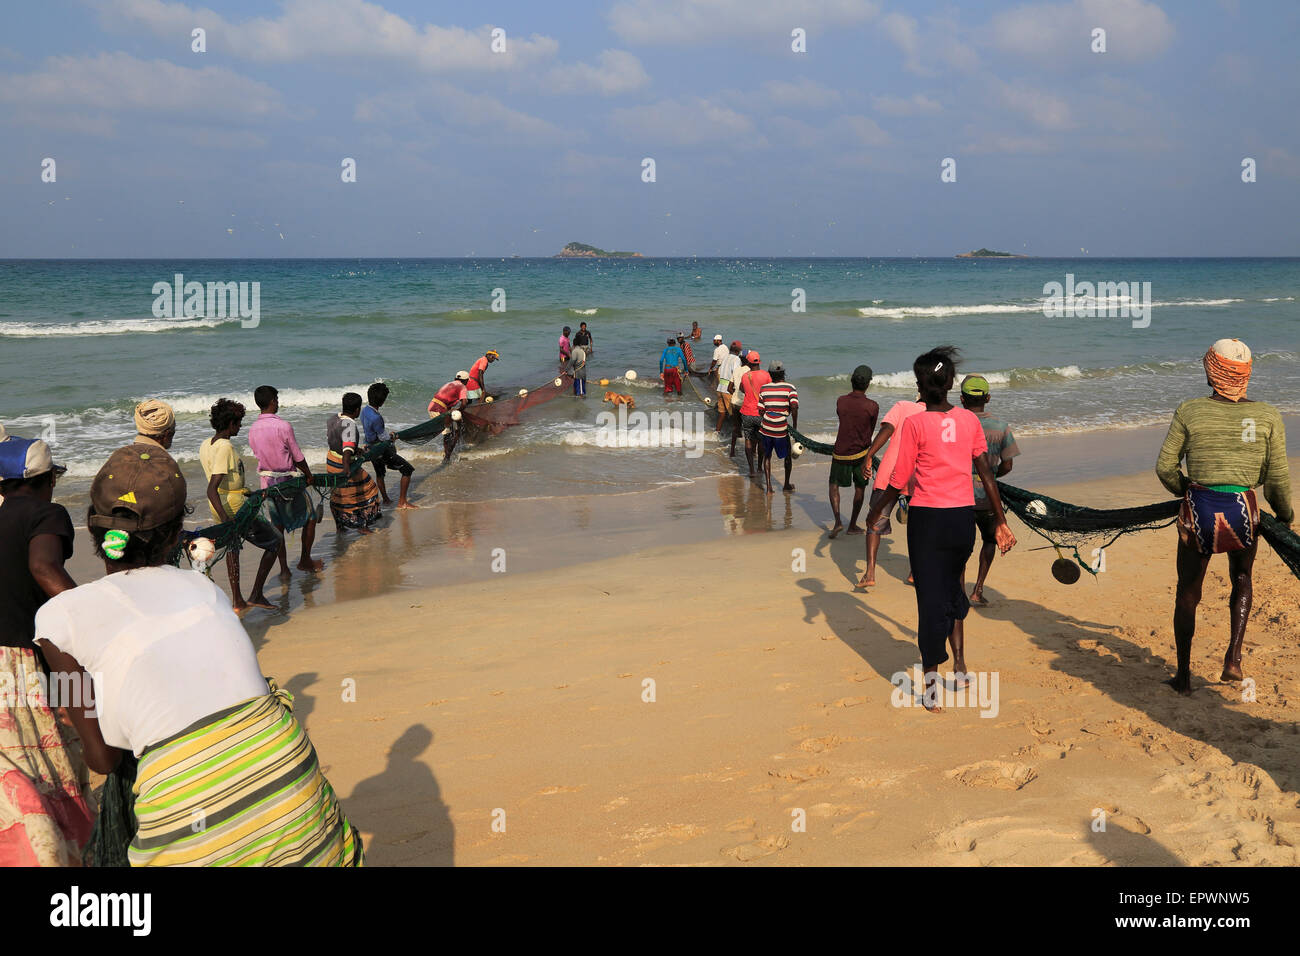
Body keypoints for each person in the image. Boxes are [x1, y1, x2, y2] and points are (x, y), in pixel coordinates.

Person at [34, 448, 364, 866]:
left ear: (92, 529)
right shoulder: (205, 591)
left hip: (187, 819)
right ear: (176, 536)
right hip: (298, 790)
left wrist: (76, 706)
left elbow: (101, 758)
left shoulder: (55, 621)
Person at [861, 347, 1016, 711]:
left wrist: (876, 513)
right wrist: (1002, 521)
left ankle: (931, 689)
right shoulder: (969, 422)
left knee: (929, 603)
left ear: (920, 385)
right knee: (951, 589)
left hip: (928, 521)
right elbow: (986, 473)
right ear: (950, 385)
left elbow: (899, 478)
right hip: (962, 521)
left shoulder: (915, 423)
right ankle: (959, 663)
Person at [1155, 338, 1293, 695]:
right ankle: (1232, 659)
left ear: (1211, 370)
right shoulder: (1267, 416)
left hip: (1198, 508)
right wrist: (1285, 515)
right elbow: (1277, 477)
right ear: (1246, 375)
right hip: (1243, 511)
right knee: (1242, 579)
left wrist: (1183, 490)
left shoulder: (1189, 410)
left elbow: (1165, 466)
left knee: (1188, 592)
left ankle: (1183, 677)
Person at [0, 437, 94, 866]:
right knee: (58, 769)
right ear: (44, 481)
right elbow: (44, 568)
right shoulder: (46, 513)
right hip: (28, 666)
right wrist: (91, 622)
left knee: (14, 777)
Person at [200, 398, 282, 614]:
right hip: (232, 505)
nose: (240, 426)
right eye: (238, 423)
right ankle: (256, 594)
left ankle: (238, 600)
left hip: (219, 504)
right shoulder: (226, 447)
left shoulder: (206, 444)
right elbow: (212, 487)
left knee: (232, 547)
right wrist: (227, 519)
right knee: (275, 541)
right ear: (230, 424)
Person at [247, 385, 323, 573]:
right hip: (288, 483)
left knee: (277, 526)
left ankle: (284, 569)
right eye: (277, 399)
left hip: (267, 485)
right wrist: (309, 475)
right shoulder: (283, 426)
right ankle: (305, 560)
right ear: (273, 401)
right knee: (311, 518)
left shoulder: (253, 429)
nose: (278, 403)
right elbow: (297, 456)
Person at [959, 375, 1020, 606]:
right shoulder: (1001, 428)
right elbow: (1008, 464)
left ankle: (960, 593)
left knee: (961, 547)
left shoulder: (955, 423)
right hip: (988, 499)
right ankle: (978, 589)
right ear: (988, 398)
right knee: (989, 541)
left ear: (962, 399)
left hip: (959, 497)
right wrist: (991, 478)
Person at [860, 391, 927, 586]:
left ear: (919, 394)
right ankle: (914, 572)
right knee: (919, 527)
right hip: (919, 477)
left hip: (890, 472)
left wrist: (869, 455)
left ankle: (870, 573)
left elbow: (887, 429)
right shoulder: (936, 415)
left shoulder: (902, 406)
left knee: (875, 521)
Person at [828, 365, 879, 539]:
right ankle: (852, 525)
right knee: (860, 487)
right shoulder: (872, 406)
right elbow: (870, 431)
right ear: (868, 384)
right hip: (861, 455)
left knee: (834, 485)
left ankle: (837, 522)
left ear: (851, 381)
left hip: (840, 451)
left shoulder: (840, 401)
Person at [326, 392, 382, 534]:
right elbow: (346, 452)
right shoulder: (349, 425)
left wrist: (355, 450)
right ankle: (362, 526)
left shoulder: (333, 419)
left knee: (338, 494)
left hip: (331, 460)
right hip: (344, 464)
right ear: (357, 410)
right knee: (368, 489)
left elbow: (337, 441)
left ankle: (340, 527)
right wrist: (347, 470)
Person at [362, 383, 416, 510]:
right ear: (382, 401)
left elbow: (373, 432)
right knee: (407, 470)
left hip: (371, 448)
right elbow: (383, 437)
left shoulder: (365, 410)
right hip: (381, 449)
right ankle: (402, 502)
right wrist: (392, 437)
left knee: (380, 473)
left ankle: (385, 499)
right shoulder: (377, 417)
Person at [757, 361, 799, 494]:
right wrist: (795, 426)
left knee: (767, 456)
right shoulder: (790, 387)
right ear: (783, 373)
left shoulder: (764, 388)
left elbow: (761, 411)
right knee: (787, 457)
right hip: (781, 428)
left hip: (766, 428)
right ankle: (786, 484)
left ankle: (769, 487)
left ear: (770, 374)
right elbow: (794, 407)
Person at [733, 351, 771, 476]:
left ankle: (751, 470)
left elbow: (742, 389)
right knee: (761, 441)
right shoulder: (766, 375)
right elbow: (770, 390)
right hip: (761, 413)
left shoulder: (745, 376)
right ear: (759, 361)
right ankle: (760, 467)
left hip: (747, 412)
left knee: (748, 439)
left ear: (748, 362)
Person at [429, 372, 472, 461]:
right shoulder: (462, 387)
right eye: (467, 381)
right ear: (466, 380)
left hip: (432, 407)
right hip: (439, 409)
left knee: (451, 430)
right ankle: (447, 457)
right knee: (449, 433)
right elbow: (464, 403)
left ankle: (448, 453)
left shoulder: (449, 384)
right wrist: (458, 410)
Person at [715, 340, 743, 433]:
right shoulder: (736, 359)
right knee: (733, 414)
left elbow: (718, 372)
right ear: (738, 350)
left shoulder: (725, 357)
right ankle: (736, 436)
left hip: (720, 389)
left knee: (721, 414)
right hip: (728, 390)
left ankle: (717, 432)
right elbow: (736, 374)